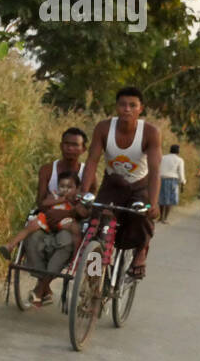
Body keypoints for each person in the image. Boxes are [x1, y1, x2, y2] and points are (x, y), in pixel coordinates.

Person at [80, 87, 161, 279]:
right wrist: (84, 193)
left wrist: (154, 203)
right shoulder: (104, 128)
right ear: (116, 107)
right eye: (123, 105)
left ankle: (141, 251)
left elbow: (155, 170)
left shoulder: (150, 132)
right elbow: (92, 160)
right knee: (97, 221)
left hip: (139, 185)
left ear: (140, 109)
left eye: (133, 105)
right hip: (112, 184)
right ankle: (94, 278)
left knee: (142, 216)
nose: (127, 109)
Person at [0, 170, 85, 307]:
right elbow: (44, 204)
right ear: (57, 187)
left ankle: (76, 255)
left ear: (76, 189)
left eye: (70, 187)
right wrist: (62, 199)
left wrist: (74, 205)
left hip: (65, 223)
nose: (66, 190)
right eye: (62, 186)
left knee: (75, 229)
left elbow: (82, 213)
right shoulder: (55, 196)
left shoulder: (77, 200)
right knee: (31, 225)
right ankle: (10, 245)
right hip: (48, 220)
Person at [36, 127, 88, 207]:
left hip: (76, 217)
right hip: (50, 216)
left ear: (83, 149)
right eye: (66, 144)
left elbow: (89, 204)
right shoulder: (47, 170)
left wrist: (66, 214)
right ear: (61, 146)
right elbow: (40, 202)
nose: (70, 148)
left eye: (75, 145)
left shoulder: (87, 173)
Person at [158, 143, 187, 222]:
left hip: (161, 178)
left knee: (161, 198)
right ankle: (165, 218)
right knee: (169, 200)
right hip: (172, 180)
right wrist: (183, 182)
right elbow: (181, 173)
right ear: (178, 151)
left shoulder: (163, 157)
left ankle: (160, 217)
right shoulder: (179, 160)